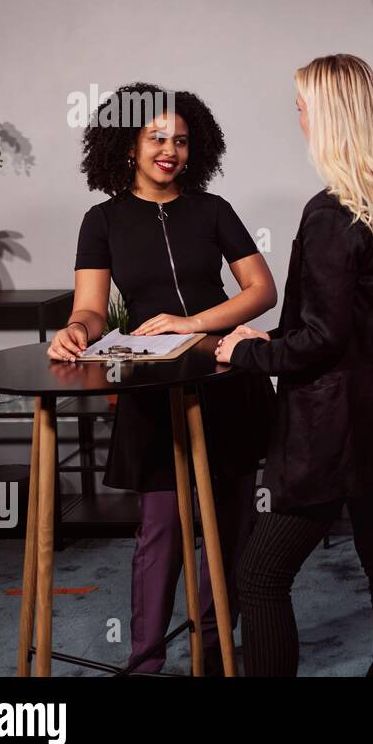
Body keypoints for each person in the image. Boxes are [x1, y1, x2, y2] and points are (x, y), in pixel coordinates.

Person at [48, 84, 277, 675]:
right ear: (128, 146)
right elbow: (90, 308)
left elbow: (262, 290)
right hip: (153, 388)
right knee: (161, 528)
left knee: (233, 522)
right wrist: (75, 329)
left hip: (226, 375)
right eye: (156, 138)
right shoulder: (102, 220)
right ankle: (146, 659)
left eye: (180, 140)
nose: (169, 151)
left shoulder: (214, 209)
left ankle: (213, 645)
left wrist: (191, 322)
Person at [216, 54, 373, 677]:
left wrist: (246, 351)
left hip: (329, 434)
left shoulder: (330, 213)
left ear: (331, 118)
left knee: (260, 577)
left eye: (304, 109)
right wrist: (269, 336)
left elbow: (322, 340)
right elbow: (357, 325)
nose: (300, 120)